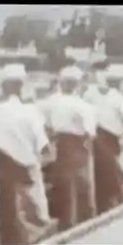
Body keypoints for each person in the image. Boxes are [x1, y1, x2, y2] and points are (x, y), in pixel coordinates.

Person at [0, 63, 55, 245]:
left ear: (4, 87)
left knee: (10, 221)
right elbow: (44, 148)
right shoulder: (31, 112)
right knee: (34, 220)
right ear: (21, 87)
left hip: (5, 176)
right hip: (29, 173)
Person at [46, 66, 98, 229]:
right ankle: (84, 222)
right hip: (78, 145)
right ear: (78, 84)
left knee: (63, 184)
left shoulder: (50, 102)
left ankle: (66, 221)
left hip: (59, 145)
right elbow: (91, 132)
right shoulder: (82, 105)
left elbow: (46, 126)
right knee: (82, 185)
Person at [93, 64, 123, 213]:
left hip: (97, 139)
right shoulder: (122, 101)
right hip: (115, 140)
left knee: (101, 175)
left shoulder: (95, 98)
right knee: (122, 172)